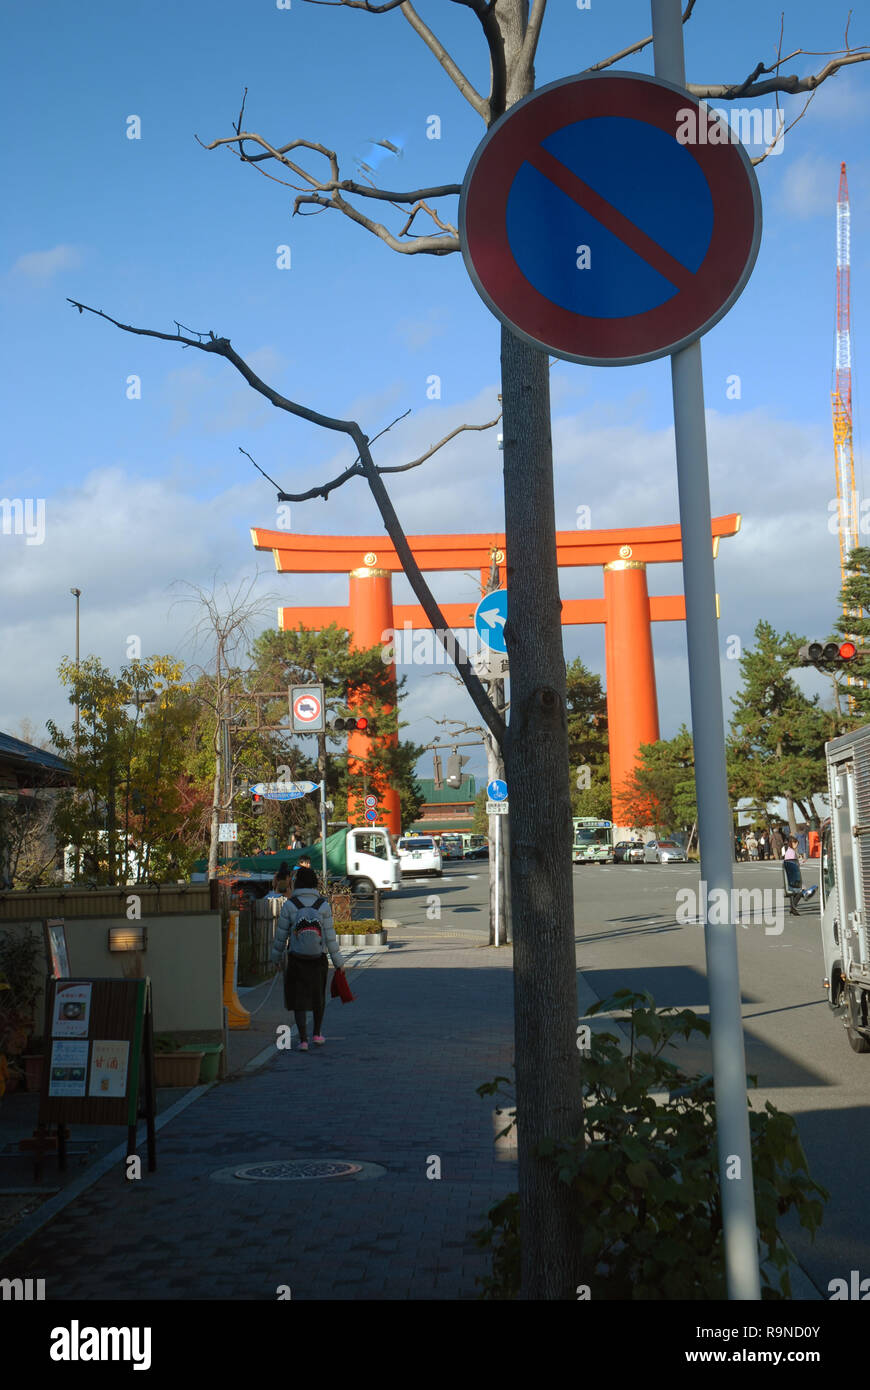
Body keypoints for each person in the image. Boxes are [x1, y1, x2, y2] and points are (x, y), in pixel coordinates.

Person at [271, 866, 346, 1050]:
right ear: (315, 884)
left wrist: (276, 959)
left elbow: (281, 936)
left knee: (299, 1000)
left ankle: (303, 1040)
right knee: (318, 998)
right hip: (318, 959)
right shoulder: (323, 906)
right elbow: (329, 937)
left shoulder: (290, 905)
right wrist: (339, 963)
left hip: (296, 959)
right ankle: (317, 1034)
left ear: (296, 883)